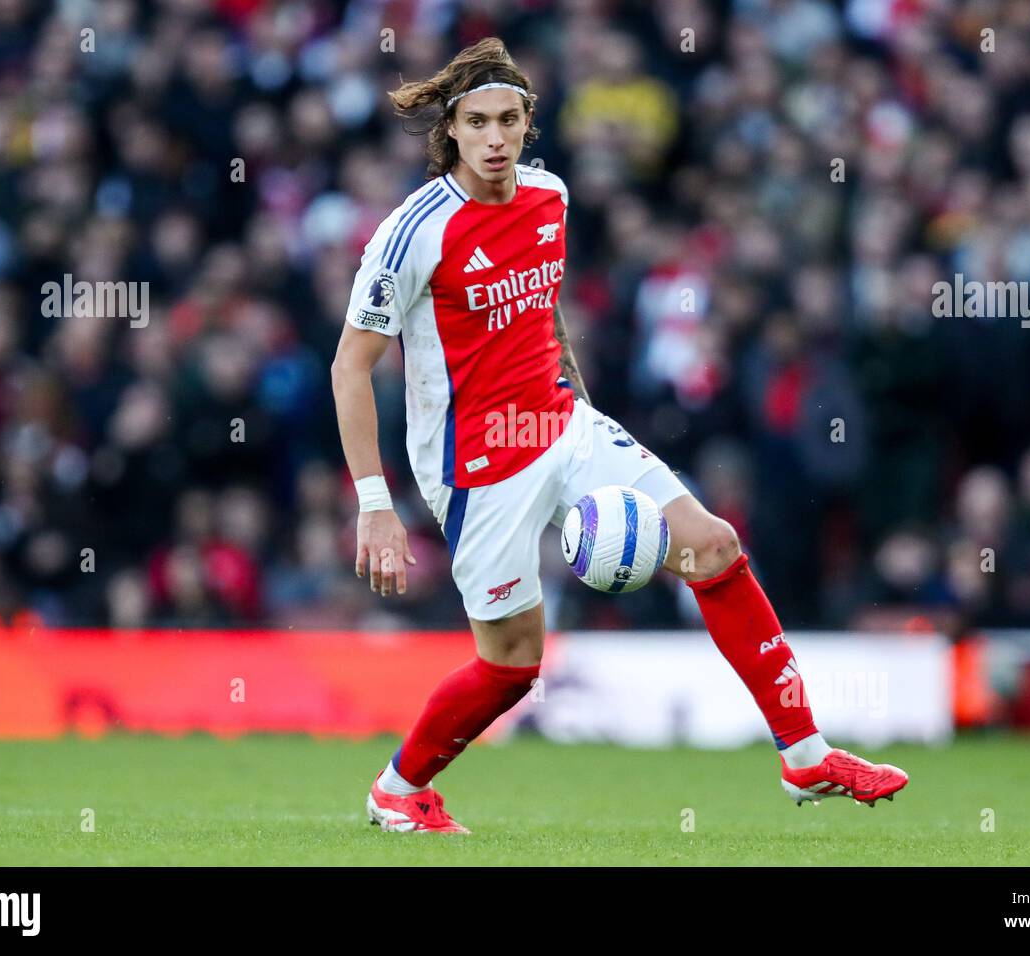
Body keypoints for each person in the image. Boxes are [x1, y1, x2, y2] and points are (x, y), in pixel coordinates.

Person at [330, 38, 908, 833]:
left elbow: (545, 308)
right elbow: (349, 367)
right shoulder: (411, 234)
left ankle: (806, 758)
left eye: (508, 119)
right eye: (477, 122)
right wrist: (374, 504)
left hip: (565, 424)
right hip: (478, 465)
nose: (495, 137)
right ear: (452, 132)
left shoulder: (550, 197)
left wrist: (583, 406)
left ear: (528, 123)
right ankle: (398, 790)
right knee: (512, 665)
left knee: (713, 544)